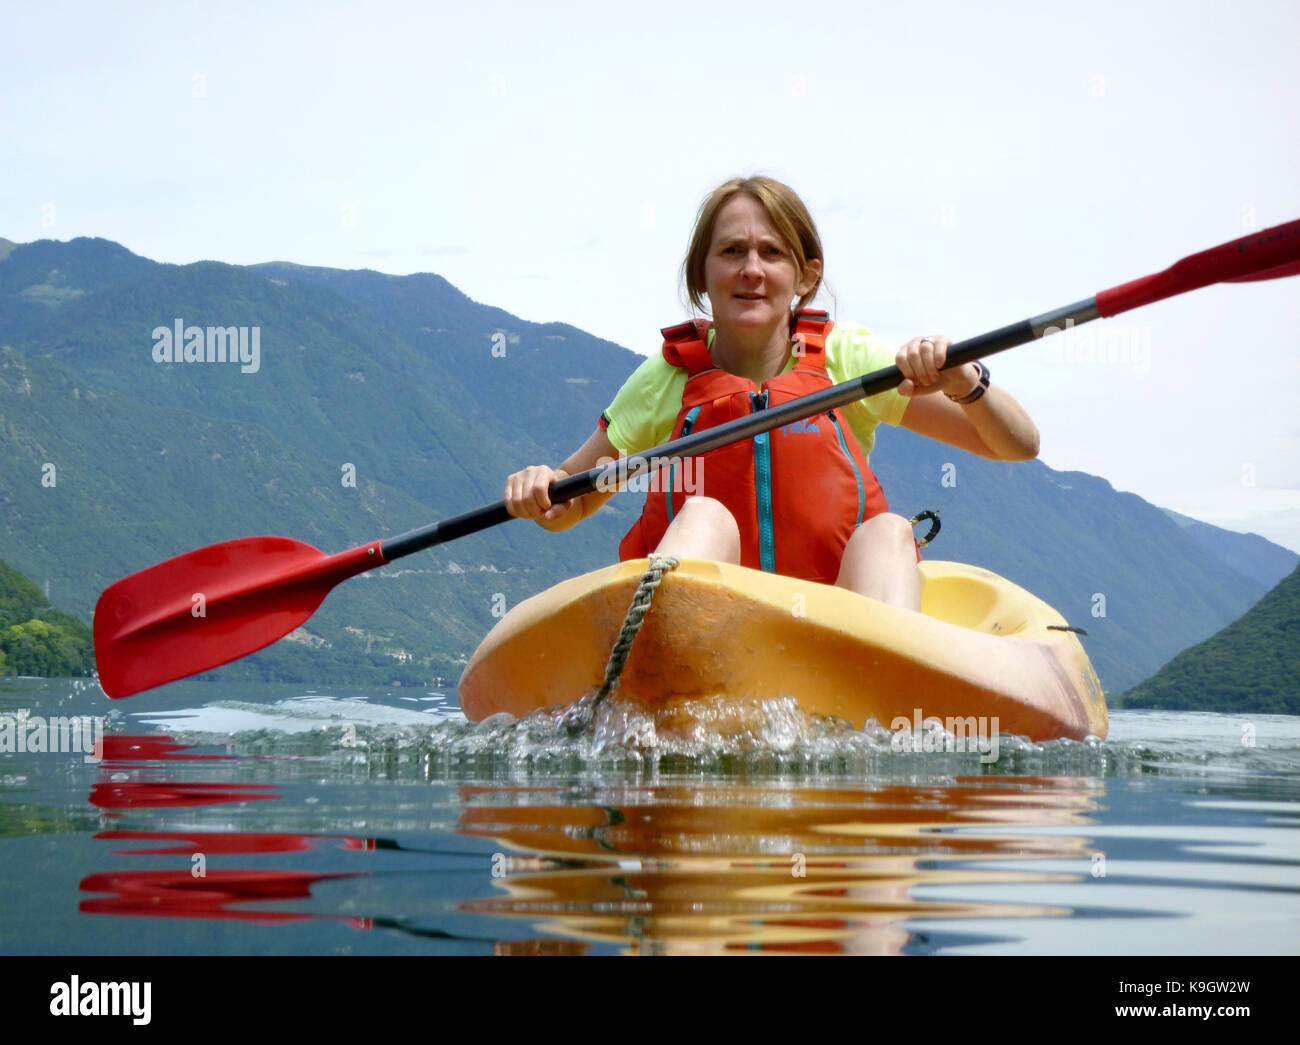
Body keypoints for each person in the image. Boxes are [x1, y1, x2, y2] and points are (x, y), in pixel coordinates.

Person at [503, 176, 1039, 611]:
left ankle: (886, 706)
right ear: (702, 277)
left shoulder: (847, 360)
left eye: (772, 253)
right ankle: (670, 679)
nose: (752, 270)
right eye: (732, 251)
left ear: (805, 276)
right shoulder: (667, 379)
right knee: (703, 516)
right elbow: (569, 503)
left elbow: (1016, 444)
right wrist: (541, 485)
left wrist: (967, 384)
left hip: (835, 628)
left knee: (888, 532)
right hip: (714, 633)